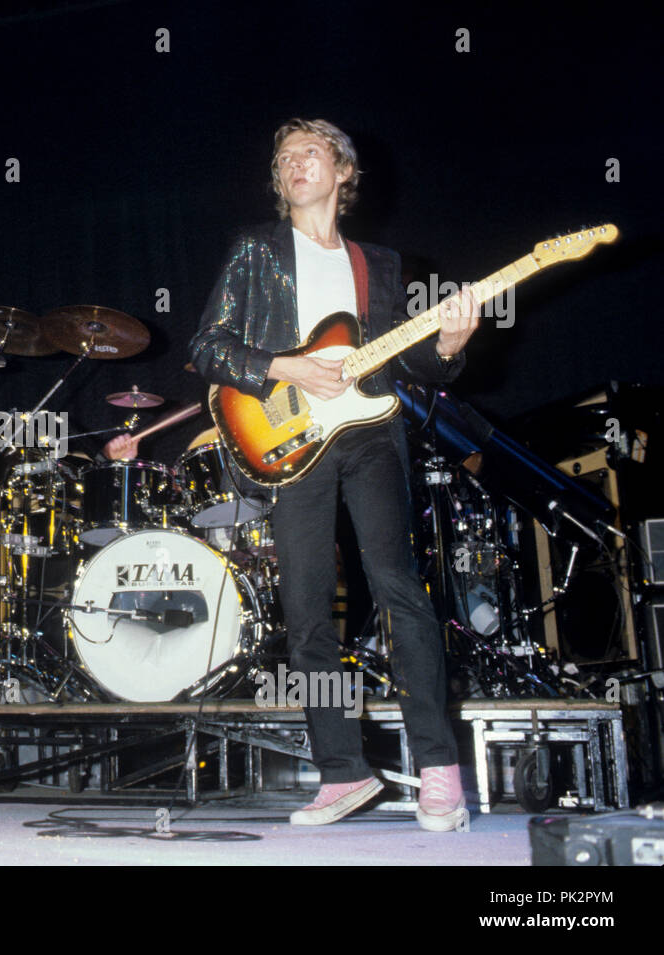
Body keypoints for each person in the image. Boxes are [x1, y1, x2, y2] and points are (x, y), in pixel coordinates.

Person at [189, 118, 480, 831]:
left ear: (343, 171)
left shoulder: (378, 262)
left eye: (309, 152)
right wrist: (286, 367)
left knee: (400, 592)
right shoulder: (257, 250)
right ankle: (341, 771)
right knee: (310, 611)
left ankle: (440, 769)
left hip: (372, 433)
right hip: (290, 438)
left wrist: (448, 343)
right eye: (283, 156)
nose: (292, 163)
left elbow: (400, 363)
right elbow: (207, 347)